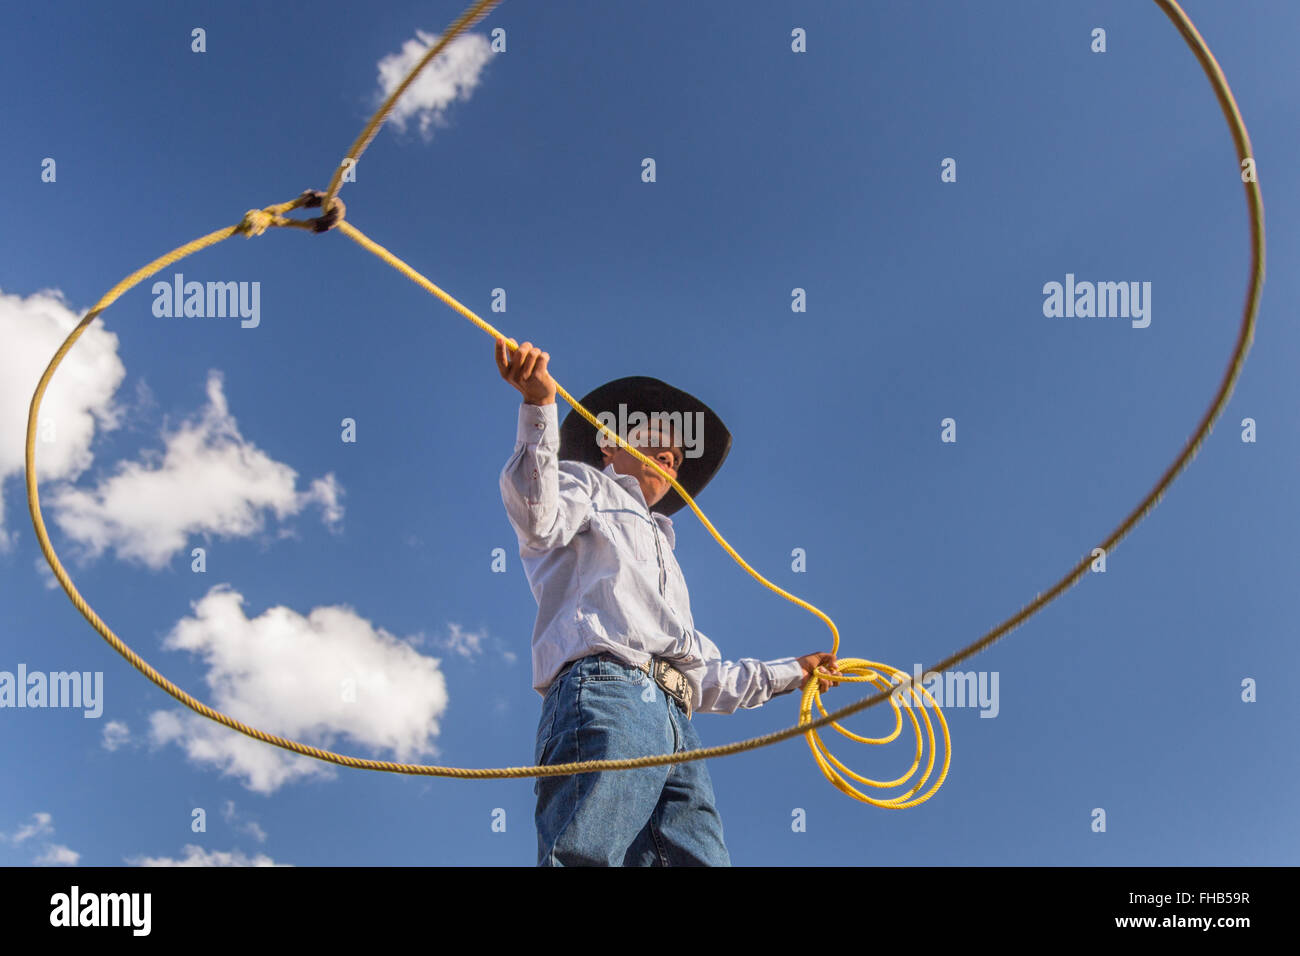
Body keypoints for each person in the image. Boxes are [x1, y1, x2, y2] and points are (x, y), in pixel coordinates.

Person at [495, 338, 838, 866]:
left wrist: (795, 671)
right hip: (608, 691)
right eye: (658, 440)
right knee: (585, 855)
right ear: (609, 444)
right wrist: (540, 407)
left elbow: (705, 679)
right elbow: (536, 518)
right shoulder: (583, 484)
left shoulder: (667, 555)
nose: (673, 457)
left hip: (677, 718)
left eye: (678, 457)